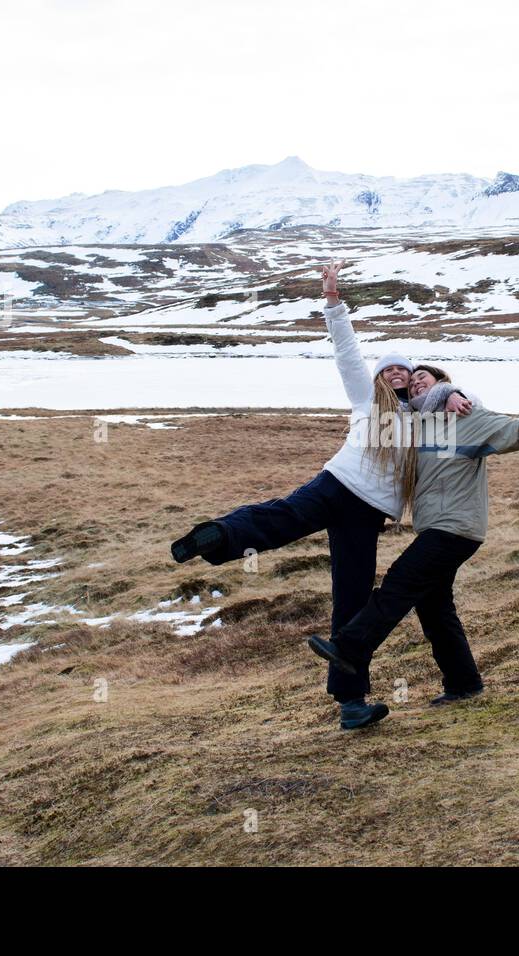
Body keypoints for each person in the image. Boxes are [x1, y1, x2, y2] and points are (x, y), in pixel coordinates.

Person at [169, 260, 474, 729]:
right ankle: (215, 536)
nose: (396, 373)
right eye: (389, 368)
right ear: (378, 377)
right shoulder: (365, 398)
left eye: (404, 370)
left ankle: (351, 704)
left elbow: (463, 415)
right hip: (335, 486)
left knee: (351, 600)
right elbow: (347, 351)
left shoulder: (426, 422)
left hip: (367, 516)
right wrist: (333, 301)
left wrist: (453, 394)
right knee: (281, 517)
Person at [307, 366, 519, 729]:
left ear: (443, 383)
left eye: (427, 376)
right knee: (434, 606)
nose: (418, 379)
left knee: (399, 584)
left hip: (455, 528)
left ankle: (351, 646)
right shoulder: (418, 424)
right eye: (415, 378)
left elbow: (510, 430)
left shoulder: (465, 416)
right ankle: (463, 683)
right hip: (435, 528)